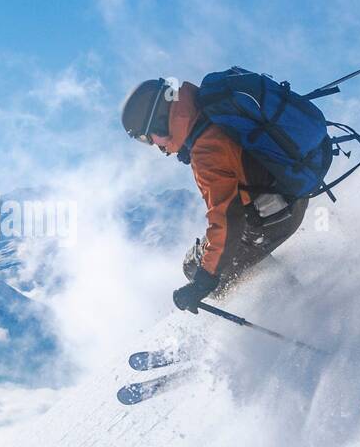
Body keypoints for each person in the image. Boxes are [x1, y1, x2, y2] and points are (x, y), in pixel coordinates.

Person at [121, 77, 307, 313]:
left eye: (146, 138)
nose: (155, 147)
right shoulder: (213, 109)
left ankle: (298, 310)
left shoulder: (206, 150)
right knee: (225, 260)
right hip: (293, 191)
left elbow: (227, 220)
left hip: (275, 219)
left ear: (159, 121)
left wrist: (204, 280)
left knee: (195, 266)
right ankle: (292, 296)